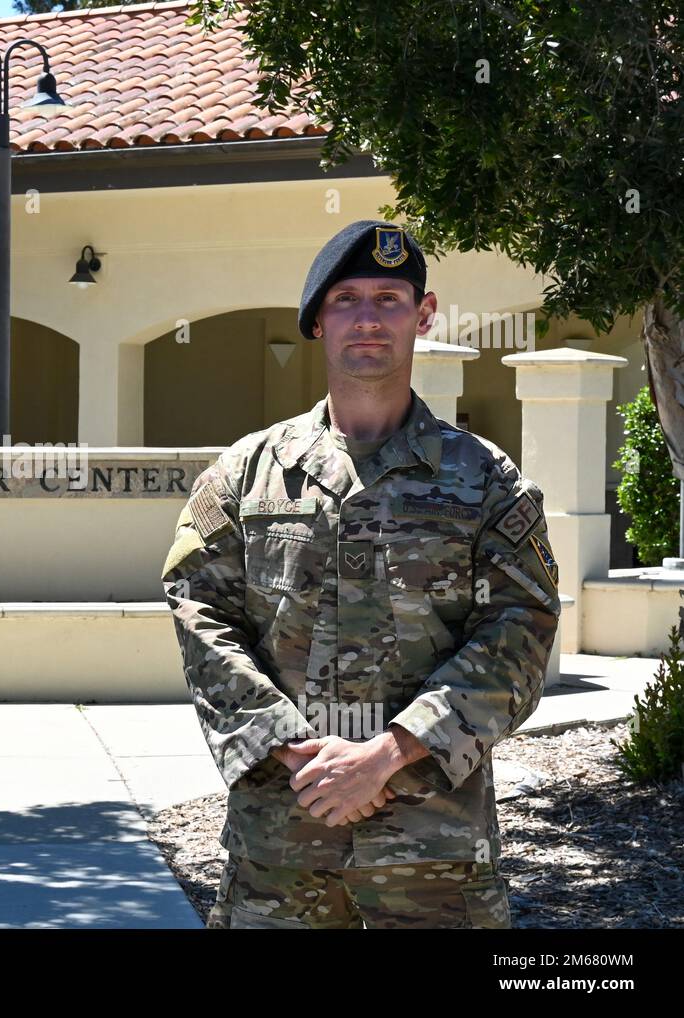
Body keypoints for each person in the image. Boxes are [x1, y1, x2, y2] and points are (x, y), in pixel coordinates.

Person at [161, 219, 561, 929]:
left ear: (424, 314)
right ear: (318, 321)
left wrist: (386, 755)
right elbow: (198, 610)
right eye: (346, 299)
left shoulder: (485, 481)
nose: (368, 318)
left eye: (389, 298)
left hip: (433, 862)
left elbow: (521, 631)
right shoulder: (248, 475)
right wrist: (291, 749)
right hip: (281, 851)